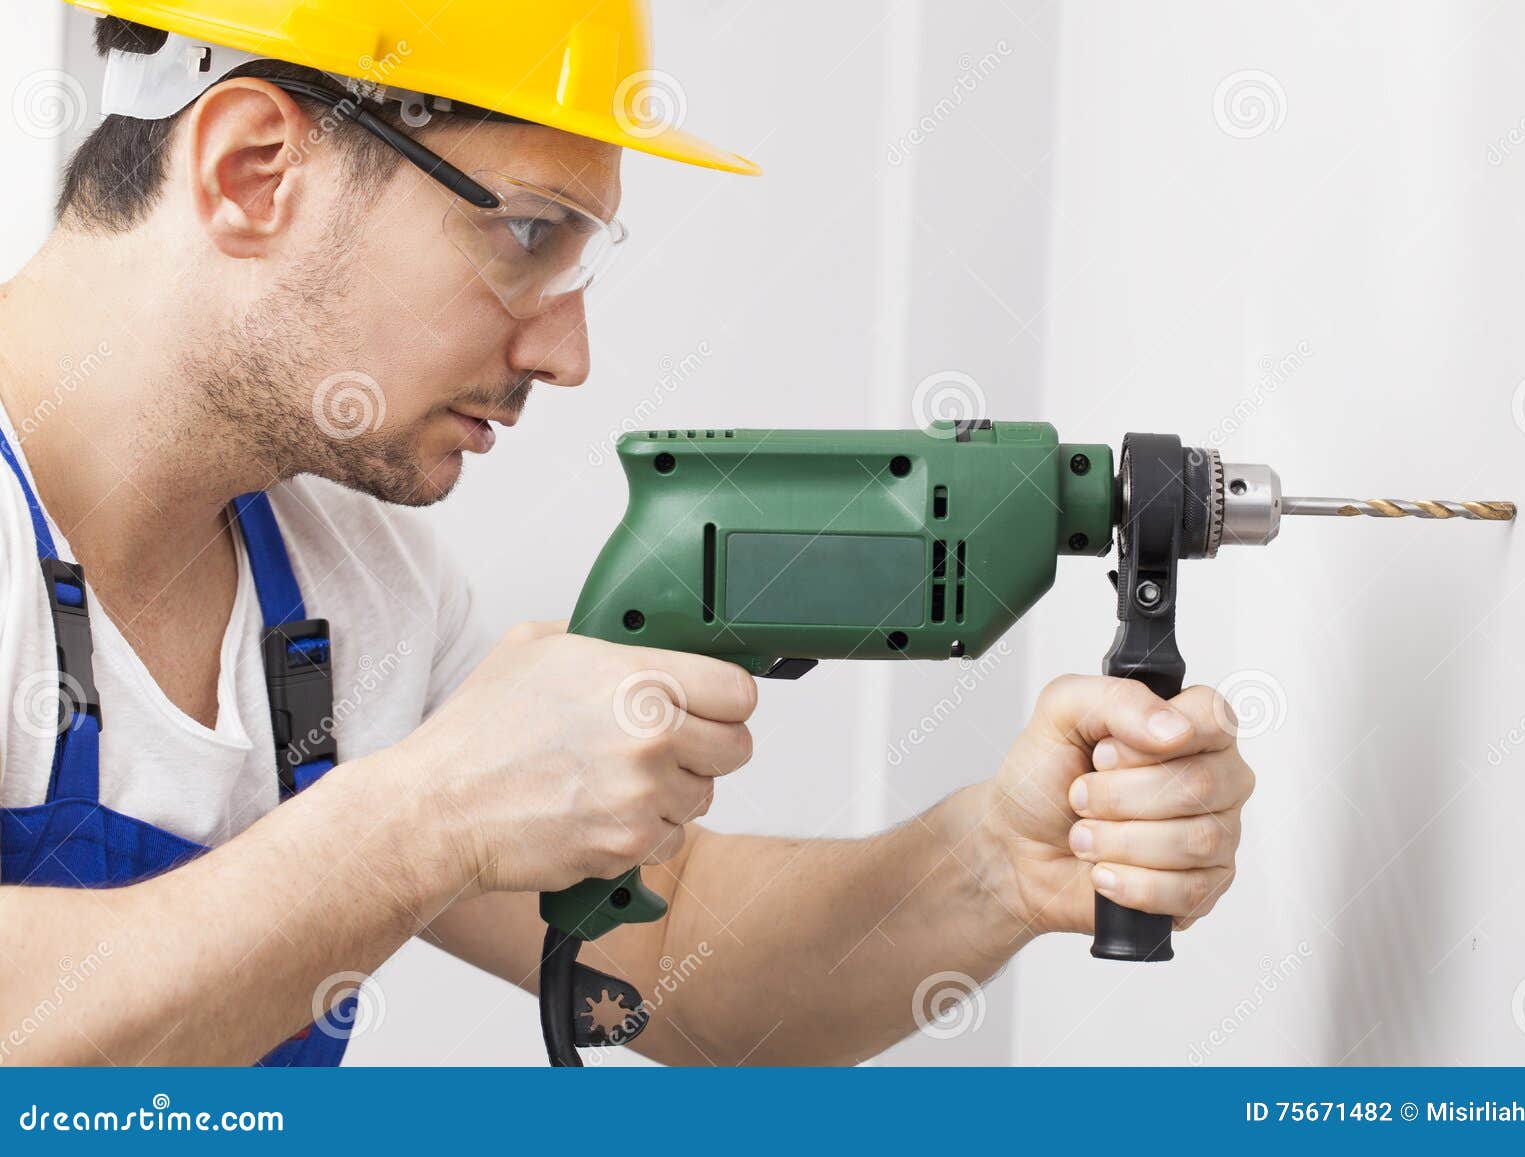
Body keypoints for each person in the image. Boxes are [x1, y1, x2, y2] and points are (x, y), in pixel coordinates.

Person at [0, 1, 1256, 1065]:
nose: (568, 354)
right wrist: (422, 819)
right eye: (526, 233)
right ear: (253, 171)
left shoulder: (357, 585)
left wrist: (993, 864)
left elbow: (679, 954)